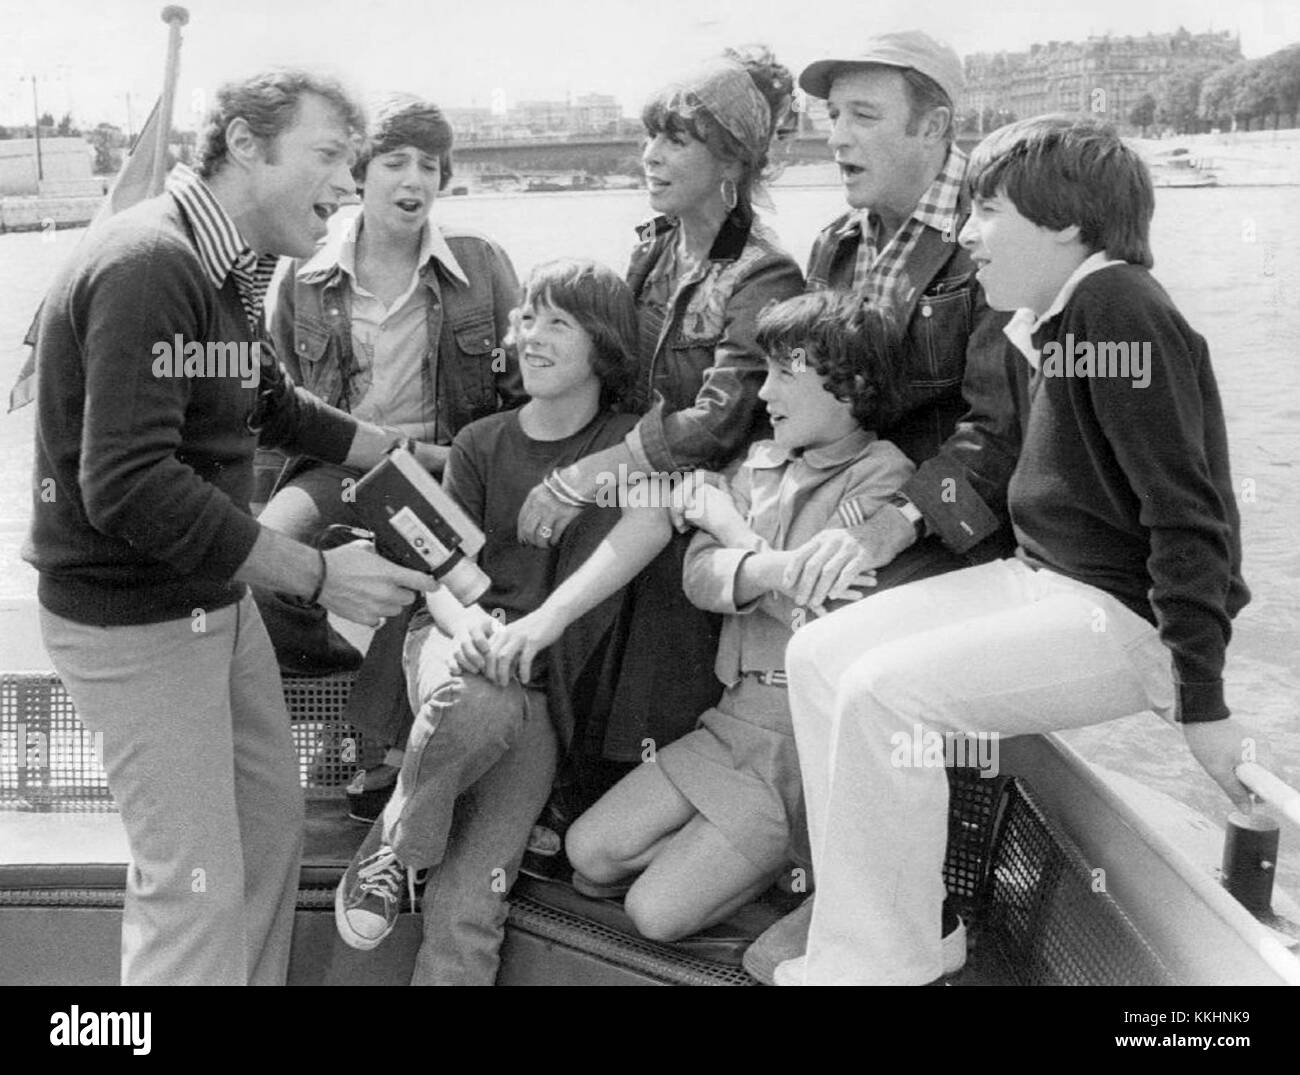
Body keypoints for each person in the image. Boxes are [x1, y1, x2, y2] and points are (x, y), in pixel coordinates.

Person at [771, 116, 1256, 986]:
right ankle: (902, 929)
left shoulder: (1118, 308)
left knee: (888, 694)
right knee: (817, 653)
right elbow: (1003, 460)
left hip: (1121, 618)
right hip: (1045, 583)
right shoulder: (1053, 318)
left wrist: (1203, 700)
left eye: (988, 210)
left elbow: (1190, 518)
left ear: (1066, 222)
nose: (965, 233)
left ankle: (878, 967)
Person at [23, 70, 438, 986]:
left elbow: (270, 403)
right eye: (330, 155)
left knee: (262, 830)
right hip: (135, 621)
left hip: (214, 605)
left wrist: (412, 460)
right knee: (195, 886)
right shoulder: (150, 266)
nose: (348, 180)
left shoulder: (225, 268)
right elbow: (129, 484)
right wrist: (321, 577)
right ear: (246, 145)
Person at [333, 259, 673, 984]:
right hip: (456, 645)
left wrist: (536, 629)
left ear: (604, 346)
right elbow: (439, 578)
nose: (532, 337)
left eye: (559, 323)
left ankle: (400, 831)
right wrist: (473, 630)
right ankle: (402, 840)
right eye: (527, 319)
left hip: (543, 689)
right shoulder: (480, 442)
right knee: (479, 700)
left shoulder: (625, 446)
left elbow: (649, 523)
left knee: (471, 903)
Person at [514, 47, 805, 836]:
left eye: (676, 140)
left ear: (731, 165)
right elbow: (614, 366)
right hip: (637, 475)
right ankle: (543, 775)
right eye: (652, 137)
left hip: (708, 494)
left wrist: (592, 471)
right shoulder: (654, 250)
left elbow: (718, 420)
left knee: (646, 580)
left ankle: (614, 799)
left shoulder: (764, 276)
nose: (652, 156)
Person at [565, 290, 914, 941]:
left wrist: (730, 528)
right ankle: (741, 860)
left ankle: (777, 850)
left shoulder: (883, 475)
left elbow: (823, 610)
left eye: (787, 373)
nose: (764, 393)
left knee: (653, 913)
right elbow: (700, 576)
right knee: (587, 851)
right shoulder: (757, 465)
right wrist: (761, 557)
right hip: (729, 721)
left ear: (852, 385)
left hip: (799, 743)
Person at [254, 94, 524, 819]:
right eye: (396, 161)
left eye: (430, 166)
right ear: (361, 172)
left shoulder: (481, 266)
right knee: (262, 560)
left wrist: (485, 475)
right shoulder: (305, 276)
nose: (415, 179)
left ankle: (370, 740)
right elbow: (274, 412)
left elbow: (520, 397)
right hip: (337, 466)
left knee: (430, 571)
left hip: (440, 472)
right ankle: (355, 681)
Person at [798, 30, 1027, 594]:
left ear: (933, 127)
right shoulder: (836, 242)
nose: (836, 139)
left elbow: (1003, 431)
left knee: (828, 605)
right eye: (833, 115)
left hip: (959, 526)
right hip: (852, 495)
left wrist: (892, 525)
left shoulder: (1001, 235)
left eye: (864, 116)